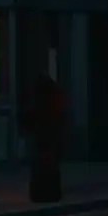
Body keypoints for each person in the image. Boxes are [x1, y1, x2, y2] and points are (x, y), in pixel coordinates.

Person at [26, 74, 65, 203]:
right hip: (51, 134)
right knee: (50, 165)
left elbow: (32, 117)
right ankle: (51, 193)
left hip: (42, 134)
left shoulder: (39, 100)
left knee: (41, 164)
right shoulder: (54, 98)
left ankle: (41, 193)